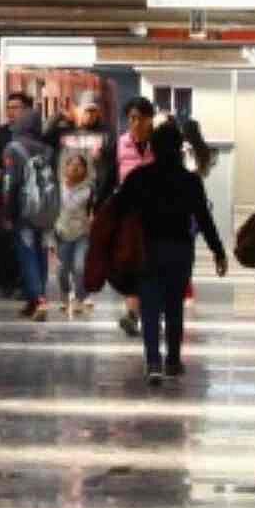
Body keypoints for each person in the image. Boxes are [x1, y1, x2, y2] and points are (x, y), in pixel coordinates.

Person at [110, 121, 228, 385]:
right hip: (179, 250)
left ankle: (153, 362)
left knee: (149, 306)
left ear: (152, 147)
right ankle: (173, 361)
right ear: (178, 149)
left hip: (147, 249)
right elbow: (204, 218)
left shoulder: (138, 177)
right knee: (174, 306)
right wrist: (218, 250)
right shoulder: (190, 181)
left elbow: (117, 211)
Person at [0, 105, 55, 320]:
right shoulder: (47, 149)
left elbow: (10, 184)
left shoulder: (13, 148)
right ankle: (35, 301)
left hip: (24, 210)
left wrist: (7, 213)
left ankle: (38, 299)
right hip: (45, 209)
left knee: (27, 254)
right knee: (41, 253)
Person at [0, 92, 34, 298]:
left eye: (16, 107)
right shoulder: (3, 132)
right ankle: (7, 281)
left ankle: (26, 283)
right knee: (3, 237)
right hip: (6, 193)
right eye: (9, 107)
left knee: (26, 238)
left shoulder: (34, 132)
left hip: (30, 194)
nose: (12, 112)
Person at [113, 96, 156, 335]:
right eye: (131, 118)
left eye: (141, 118)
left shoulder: (160, 144)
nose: (136, 123)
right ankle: (131, 314)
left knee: (149, 266)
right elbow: (111, 177)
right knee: (130, 264)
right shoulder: (120, 144)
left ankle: (147, 312)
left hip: (154, 217)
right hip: (128, 216)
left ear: (150, 119)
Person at [54, 154, 96, 314]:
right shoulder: (58, 187)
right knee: (62, 270)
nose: (75, 168)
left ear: (85, 169)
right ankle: (64, 295)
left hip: (82, 233)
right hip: (62, 232)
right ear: (66, 168)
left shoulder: (89, 189)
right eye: (72, 164)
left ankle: (80, 298)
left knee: (80, 267)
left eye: (80, 165)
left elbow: (94, 210)